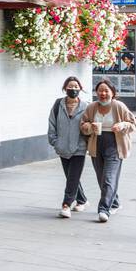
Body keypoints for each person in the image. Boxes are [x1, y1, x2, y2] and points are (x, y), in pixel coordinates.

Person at [81, 78, 136, 223]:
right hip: (96, 143)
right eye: (100, 91)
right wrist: (89, 126)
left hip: (115, 144)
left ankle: (103, 209)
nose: (103, 93)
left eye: (106, 91)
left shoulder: (119, 106)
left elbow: (132, 124)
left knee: (108, 178)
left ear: (112, 92)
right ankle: (115, 202)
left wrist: (122, 125)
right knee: (101, 178)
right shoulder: (92, 107)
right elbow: (83, 124)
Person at [47, 75, 90, 218]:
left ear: (80, 89)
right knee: (70, 176)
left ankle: (66, 205)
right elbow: (52, 123)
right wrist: (54, 141)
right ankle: (82, 200)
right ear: (65, 88)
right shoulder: (58, 105)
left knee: (73, 177)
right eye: (70, 87)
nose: (73, 89)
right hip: (62, 147)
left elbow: (89, 124)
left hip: (80, 148)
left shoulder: (86, 106)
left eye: (76, 87)